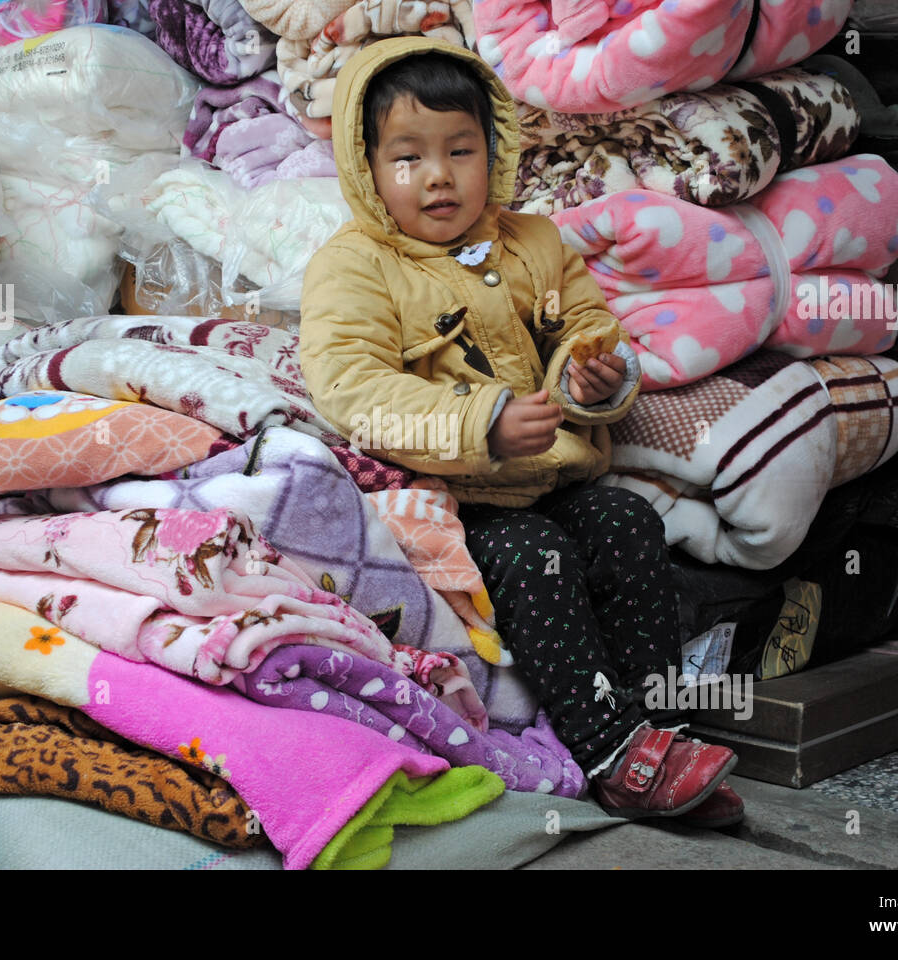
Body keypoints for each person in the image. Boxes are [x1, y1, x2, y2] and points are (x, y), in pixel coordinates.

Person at [299, 36, 743, 825]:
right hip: (449, 498)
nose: (438, 175)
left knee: (628, 521)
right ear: (365, 169)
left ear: (494, 152)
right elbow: (353, 388)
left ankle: (662, 728)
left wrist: (592, 376)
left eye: (461, 150)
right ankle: (612, 753)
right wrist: (482, 424)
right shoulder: (353, 266)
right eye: (407, 157)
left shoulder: (535, 241)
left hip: (551, 474)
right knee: (531, 555)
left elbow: (586, 325)